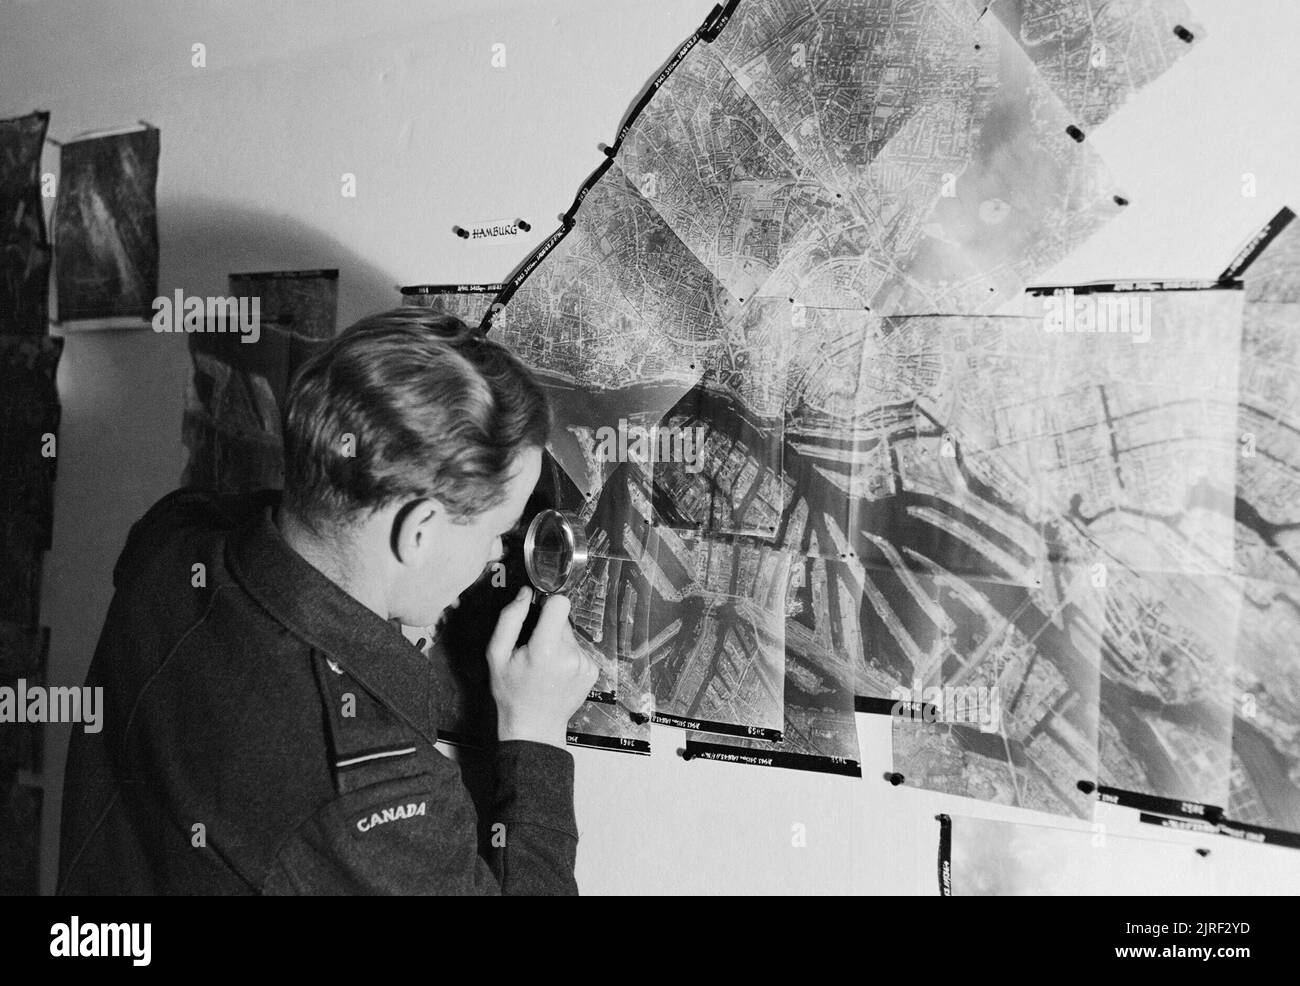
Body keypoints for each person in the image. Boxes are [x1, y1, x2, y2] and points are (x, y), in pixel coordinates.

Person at [57, 308, 598, 895]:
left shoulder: (173, 544)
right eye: (498, 528)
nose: (499, 553)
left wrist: (374, 595)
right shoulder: (371, 794)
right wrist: (536, 730)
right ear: (417, 533)